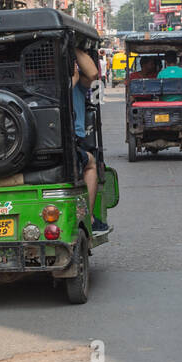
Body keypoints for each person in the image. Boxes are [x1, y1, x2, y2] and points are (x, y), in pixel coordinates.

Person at [72, 49, 109, 234]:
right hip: (68, 147)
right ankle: (89, 216)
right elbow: (93, 73)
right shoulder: (73, 85)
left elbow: (93, 74)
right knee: (91, 164)